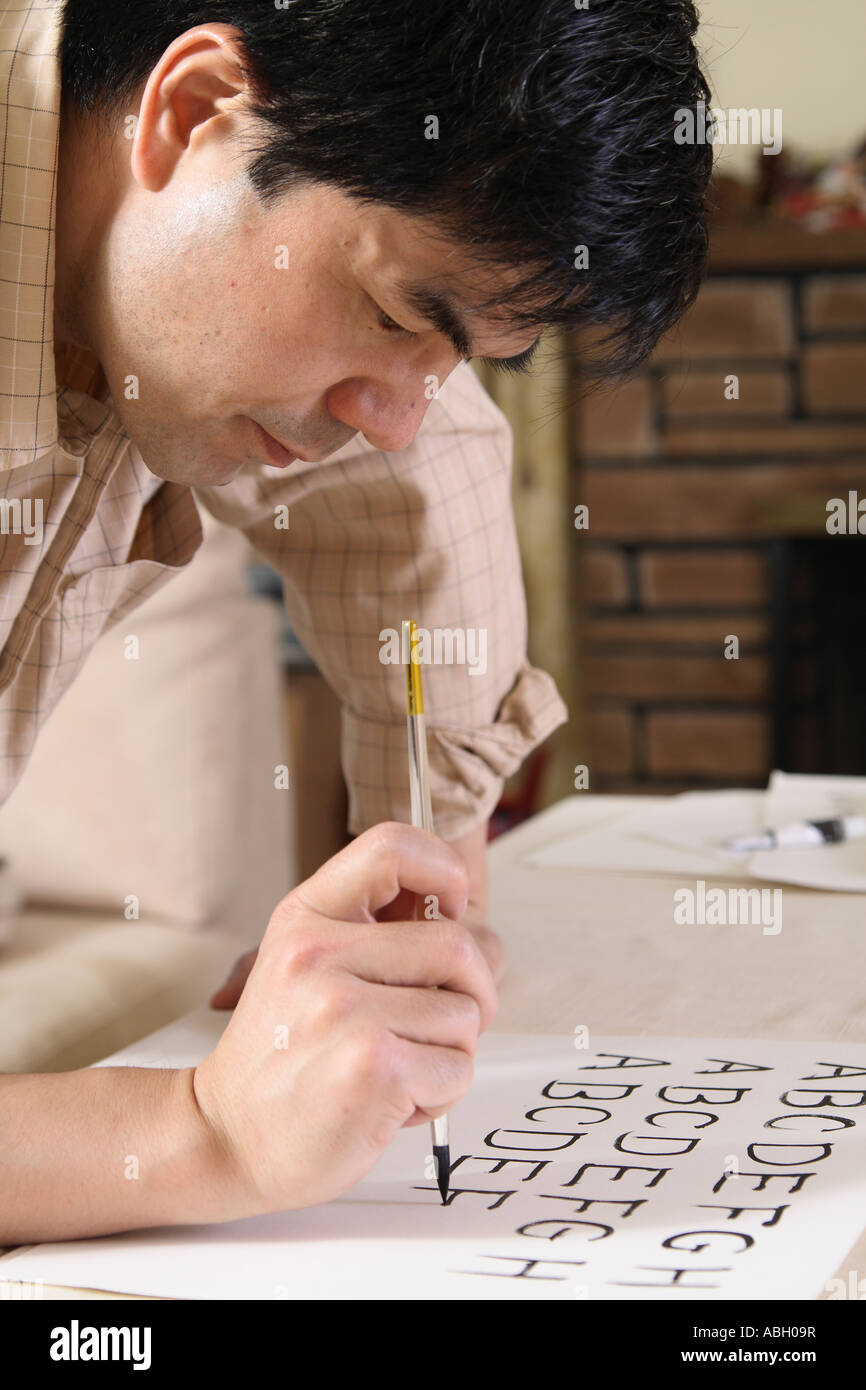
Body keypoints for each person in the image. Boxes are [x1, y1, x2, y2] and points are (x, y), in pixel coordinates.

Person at [0, 0, 712, 1241]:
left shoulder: (177, 264)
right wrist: (206, 1131)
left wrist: (418, 879)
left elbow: (416, 481)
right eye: (392, 317)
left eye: (456, 357)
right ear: (195, 112)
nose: (395, 414)